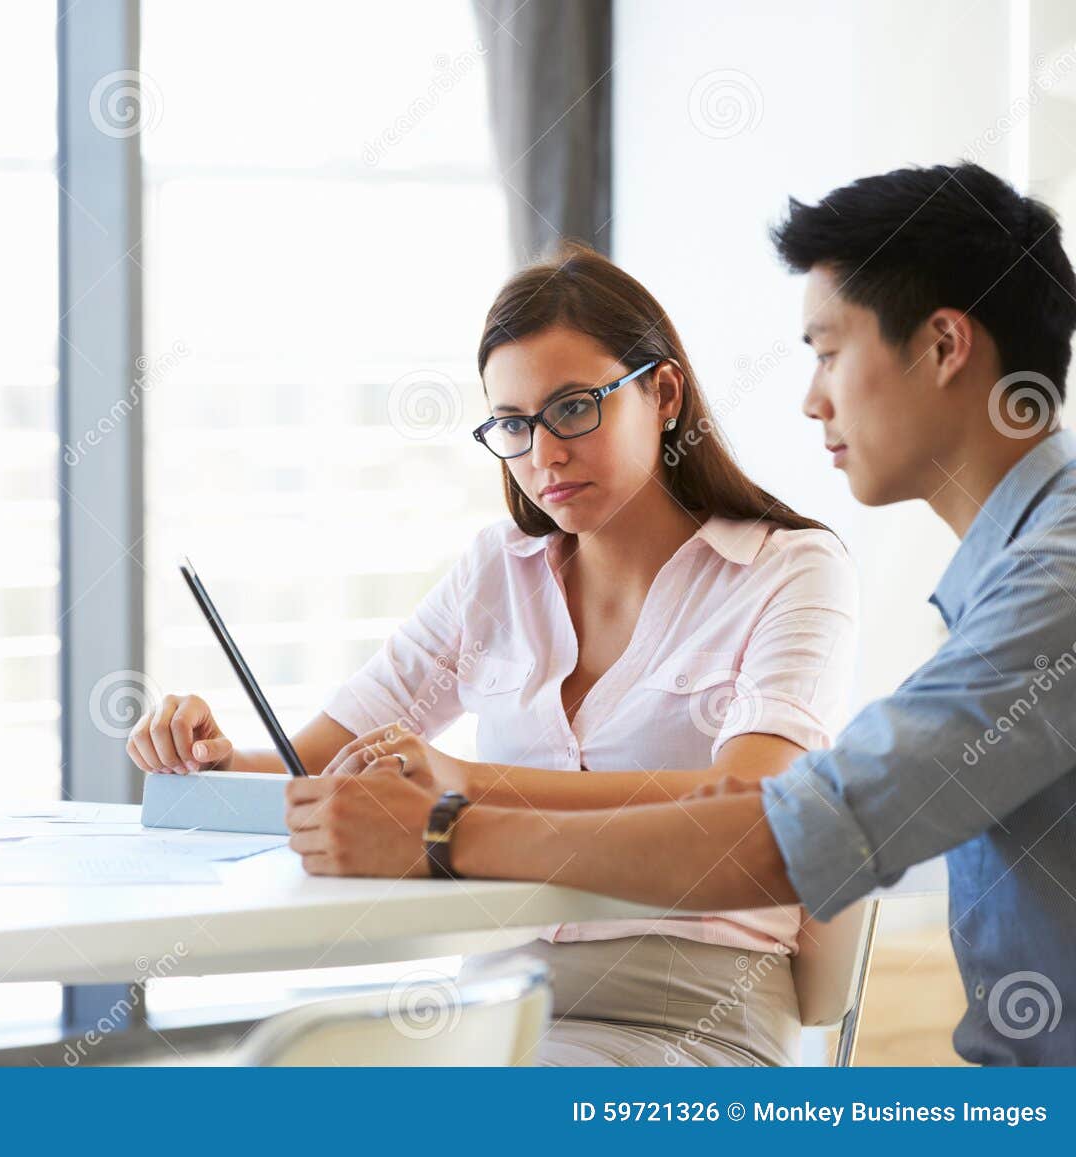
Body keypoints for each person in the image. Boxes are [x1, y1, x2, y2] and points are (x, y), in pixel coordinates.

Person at [289, 162, 1076, 1067]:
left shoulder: (1051, 582)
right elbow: (802, 816)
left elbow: (787, 832)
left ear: (943, 347)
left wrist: (445, 826)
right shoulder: (1014, 574)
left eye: (828, 353)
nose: (811, 398)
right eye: (514, 424)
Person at [128, 243, 859, 1066]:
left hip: (694, 1017)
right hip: (492, 1010)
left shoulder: (787, 570)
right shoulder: (495, 572)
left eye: (574, 408)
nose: (544, 455)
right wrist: (215, 760)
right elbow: (321, 766)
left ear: (662, 394)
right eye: (514, 424)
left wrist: (462, 788)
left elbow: (753, 803)